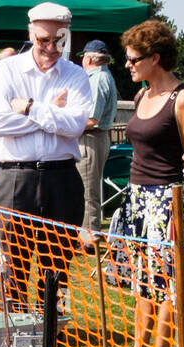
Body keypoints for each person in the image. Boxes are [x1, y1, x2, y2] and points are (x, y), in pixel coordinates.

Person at [0, 3, 92, 310]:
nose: (50, 48)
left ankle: (52, 334)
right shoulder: (7, 69)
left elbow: (75, 126)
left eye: (58, 41)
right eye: (42, 40)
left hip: (62, 180)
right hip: (13, 178)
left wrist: (31, 107)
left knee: (57, 268)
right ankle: (17, 336)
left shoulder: (76, 75)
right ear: (30, 33)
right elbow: (0, 123)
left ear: (66, 36)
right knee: (12, 269)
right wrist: (53, 110)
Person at [111, 19, 184, 347]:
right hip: (136, 198)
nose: (128, 65)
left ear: (155, 58)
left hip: (167, 200)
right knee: (140, 278)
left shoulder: (183, 99)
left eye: (133, 59)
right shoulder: (141, 95)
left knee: (167, 282)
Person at [77, 40, 118, 233]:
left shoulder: (97, 79)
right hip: (94, 139)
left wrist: (66, 127)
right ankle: (86, 234)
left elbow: (91, 118)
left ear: (89, 58)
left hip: (90, 138)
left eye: (83, 57)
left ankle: (87, 239)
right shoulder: (103, 76)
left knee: (86, 191)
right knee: (87, 189)